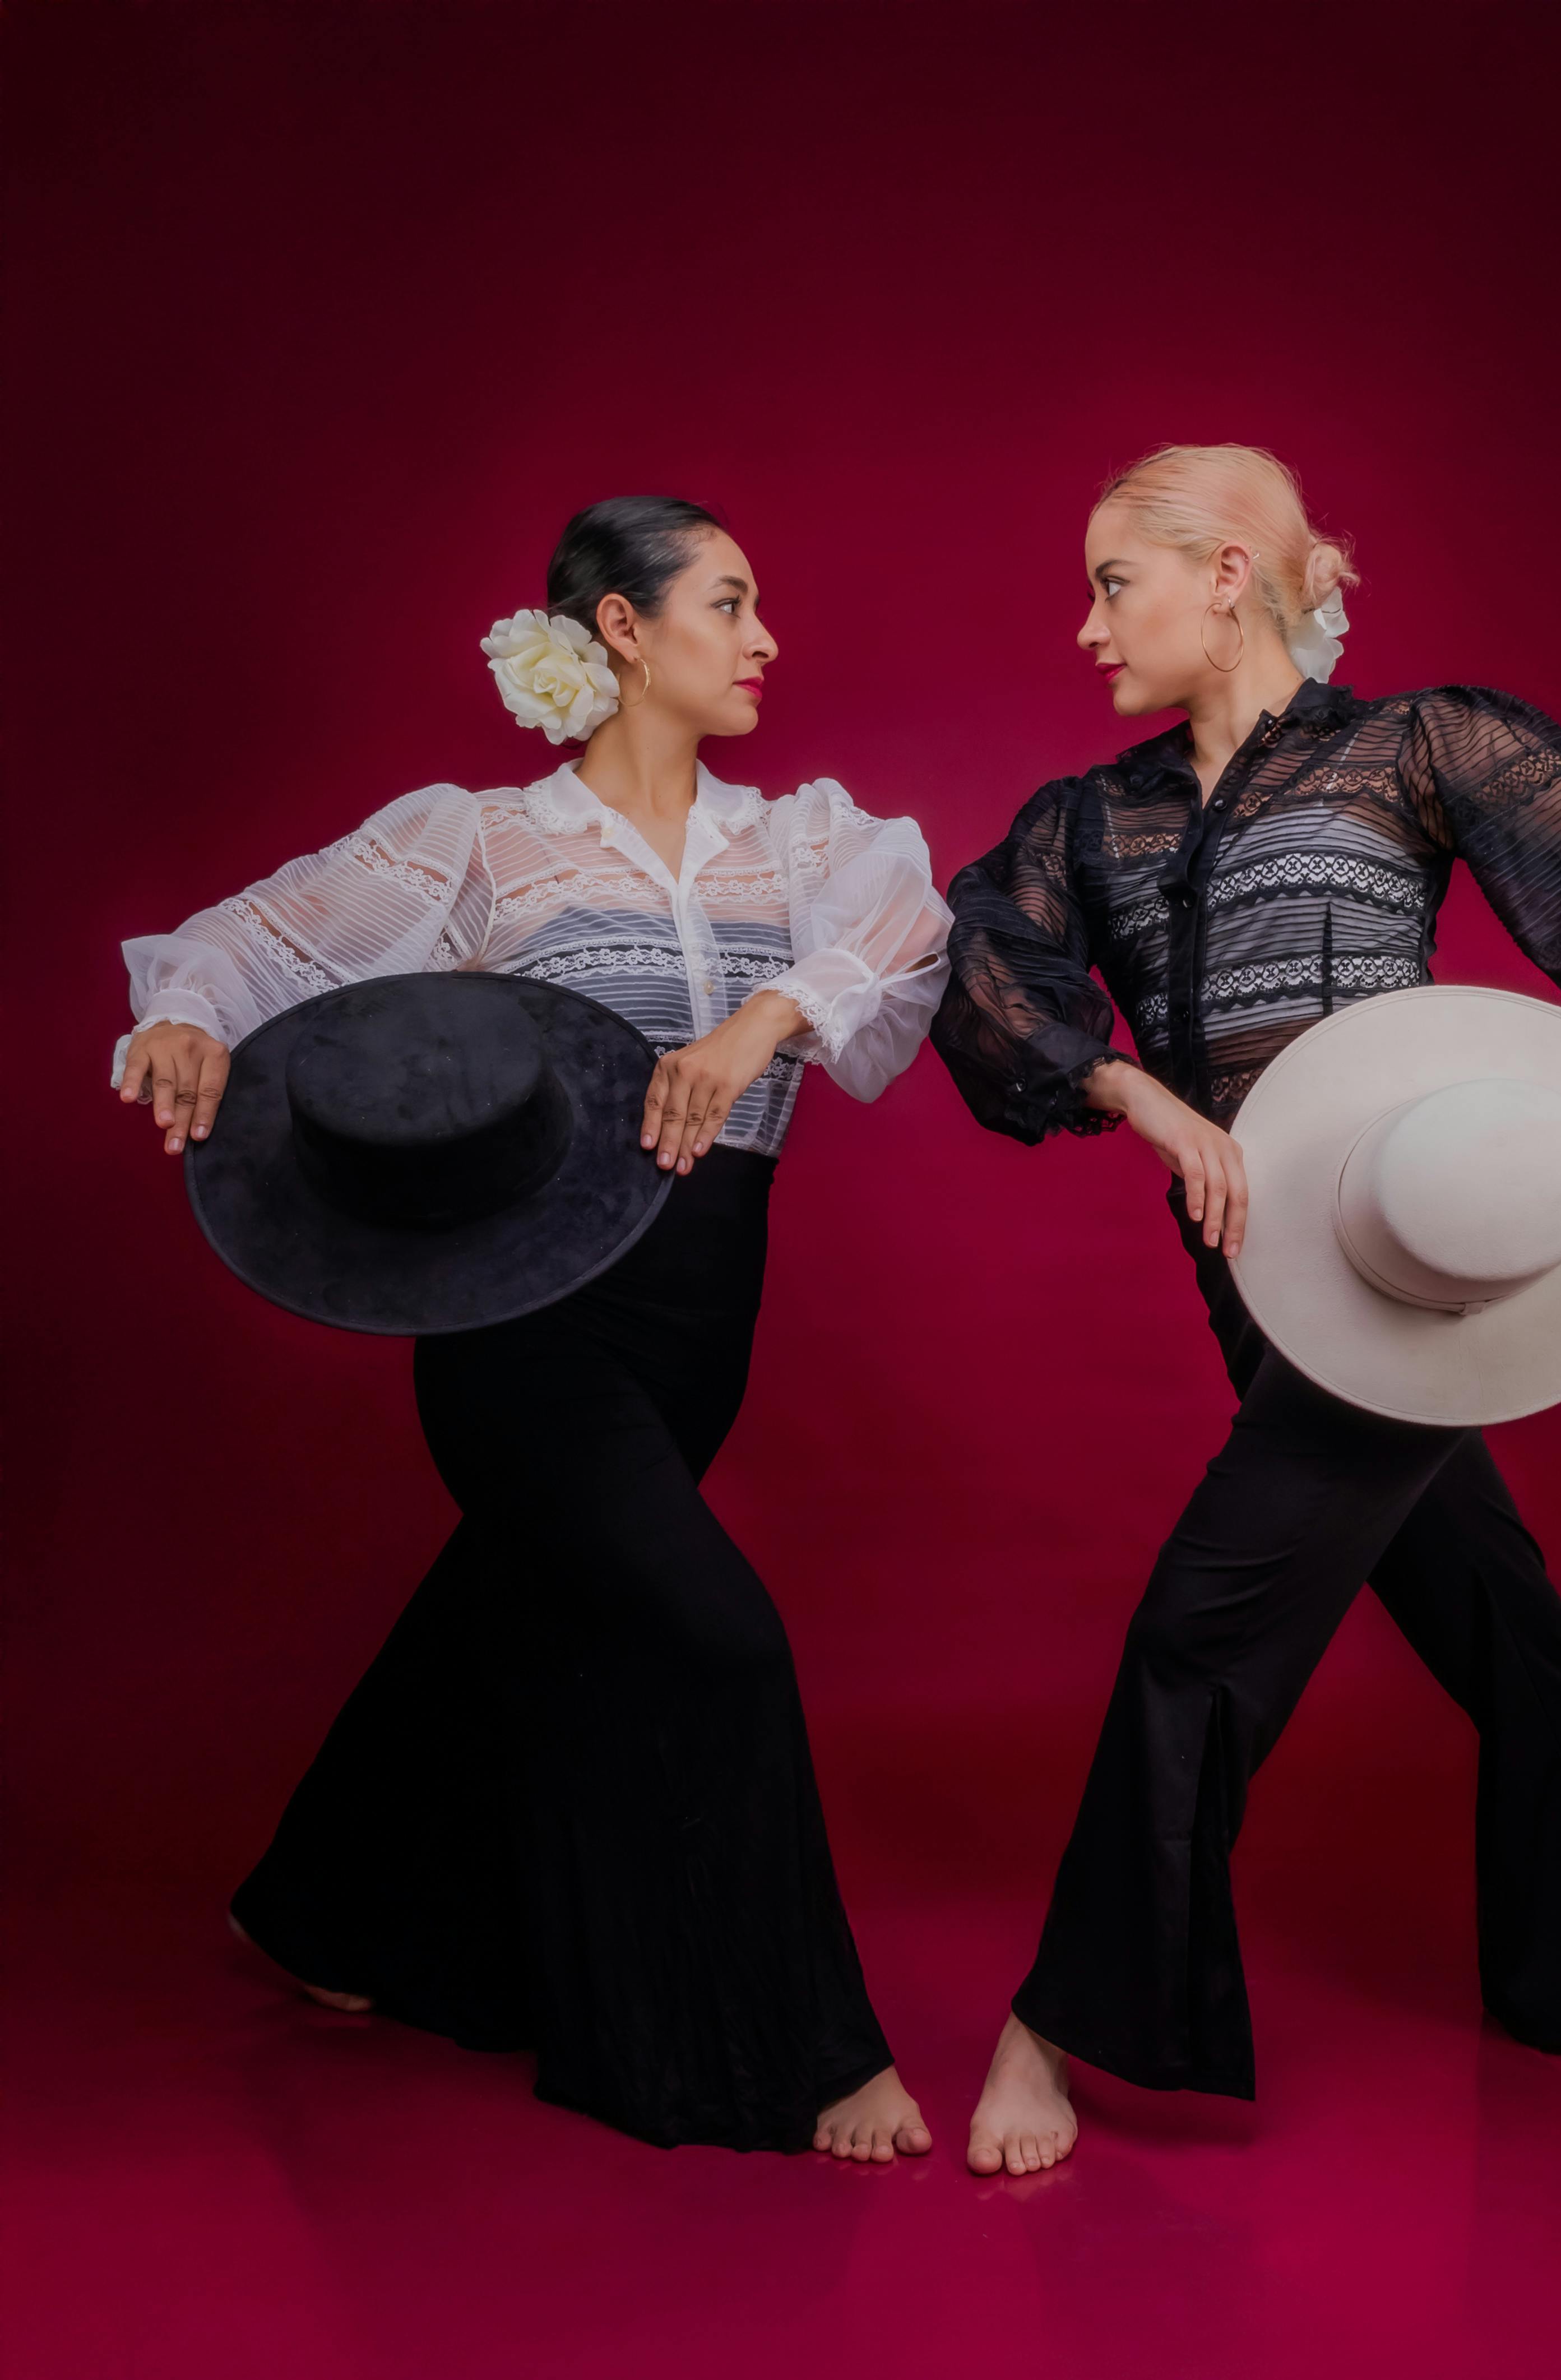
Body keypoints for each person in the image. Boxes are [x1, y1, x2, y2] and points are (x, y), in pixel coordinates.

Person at [929, 443, 1561, 2178]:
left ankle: (1066, 2022)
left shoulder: (1418, 745)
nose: (1086, 625)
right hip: (1249, 1281)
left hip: (1405, 1267)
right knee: (1494, 1614)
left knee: (1198, 1634)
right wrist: (1140, 1098)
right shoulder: (1093, 817)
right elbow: (982, 963)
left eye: (1115, 581)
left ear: (1228, 573)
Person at [113, 496, 951, 2160]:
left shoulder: (800, 842)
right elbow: (243, 943)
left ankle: (328, 1910)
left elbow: (909, 925)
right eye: (731, 601)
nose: (767, 636)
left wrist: (762, 1019)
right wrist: (188, 1020)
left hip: (703, 1314)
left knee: (509, 1597)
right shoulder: (482, 842)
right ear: (624, 631)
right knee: (711, 1633)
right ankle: (805, 2053)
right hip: (520, 1317)